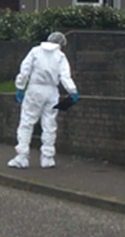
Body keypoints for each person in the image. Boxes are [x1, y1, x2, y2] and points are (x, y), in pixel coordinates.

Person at [8, 31, 78, 169]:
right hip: (52, 92)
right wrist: (73, 91)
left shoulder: (35, 51)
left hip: (35, 89)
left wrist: (20, 87)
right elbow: (65, 76)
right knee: (49, 124)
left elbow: (25, 70)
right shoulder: (60, 56)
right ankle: (47, 158)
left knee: (27, 123)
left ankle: (22, 157)